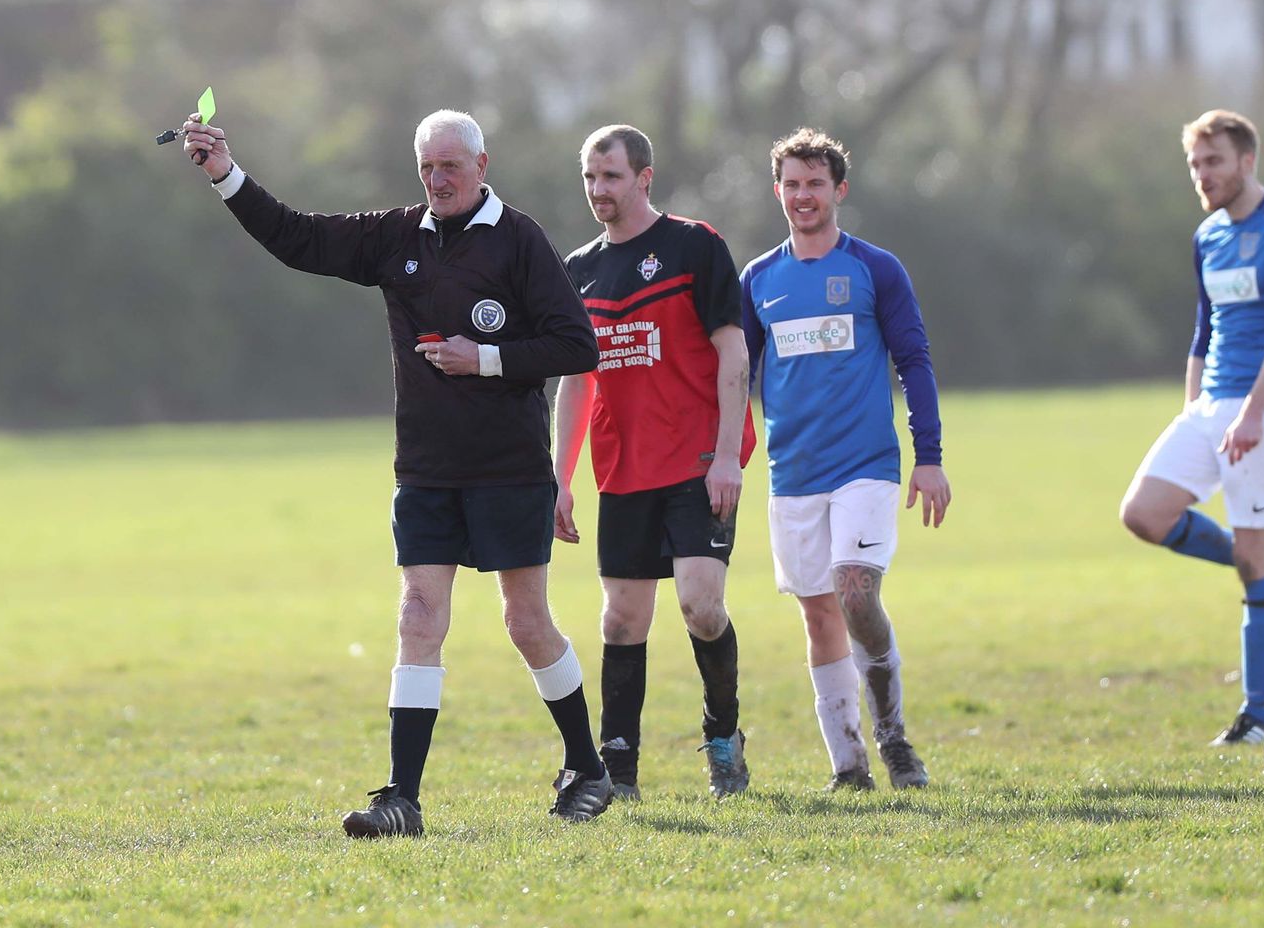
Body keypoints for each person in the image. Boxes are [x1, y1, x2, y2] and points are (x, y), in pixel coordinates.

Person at [178, 108, 614, 833]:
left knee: (526, 622)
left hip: (508, 467)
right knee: (418, 616)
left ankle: (587, 766)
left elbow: (577, 347)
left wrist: (486, 358)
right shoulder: (395, 235)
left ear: (482, 166)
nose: (437, 180)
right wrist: (225, 174)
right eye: (427, 168)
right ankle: (401, 799)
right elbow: (298, 237)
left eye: (450, 166)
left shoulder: (520, 239)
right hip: (425, 468)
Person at [740, 128, 950, 791]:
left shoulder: (875, 269)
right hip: (792, 473)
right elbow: (735, 378)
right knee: (818, 613)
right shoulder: (758, 279)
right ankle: (848, 766)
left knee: (855, 591)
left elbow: (913, 361)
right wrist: (720, 458)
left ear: (839, 190)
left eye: (815, 184)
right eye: (792, 185)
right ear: (778, 191)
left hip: (866, 466)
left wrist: (929, 456)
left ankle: (895, 741)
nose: (803, 196)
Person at [554, 125, 756, 800]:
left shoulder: (694, 246)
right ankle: (619, 771)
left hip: (699, 461)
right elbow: (575, 381)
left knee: (701, 605)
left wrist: (726, 456)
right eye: (589, 177)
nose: (598, 189)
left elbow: (733, 351)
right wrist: (560, 479)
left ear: (643, 177)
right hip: (625, 467)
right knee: (620, 620)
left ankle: (723, 739)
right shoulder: (579, 269)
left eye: (610, 176)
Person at [1118, 108, 1264, 747]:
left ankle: (1257, 716)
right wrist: (1192, 408)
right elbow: (1204, 331)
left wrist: (1254, 411)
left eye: (1214, 162)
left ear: (1246, 161)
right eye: (1195, 164)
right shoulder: (1207, 234)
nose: (1202, 175)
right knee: (1143, 513)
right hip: (1210, 405)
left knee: (1254, 556)